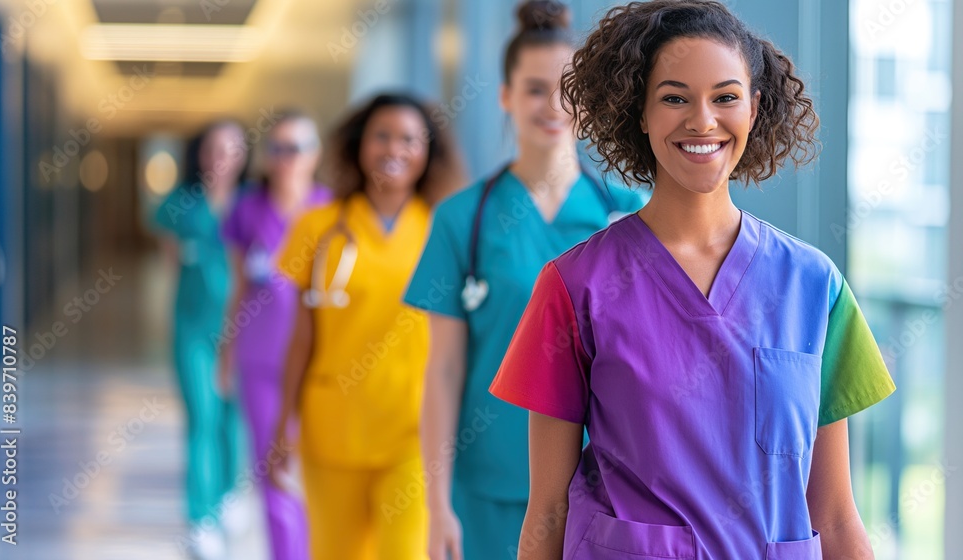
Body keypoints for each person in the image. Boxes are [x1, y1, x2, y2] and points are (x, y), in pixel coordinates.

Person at [489, 1, 898, 558]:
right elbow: (548, 511)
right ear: (641, 110)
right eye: (675, 97)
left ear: (754, 108)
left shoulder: (814, 286)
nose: (702, 121)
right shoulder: (576, 285)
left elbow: (836, 516)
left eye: (725, 97)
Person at [402, 2, 646, 559]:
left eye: (567, 89)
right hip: (489, 483)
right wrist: (437, 504)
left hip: (606, 485)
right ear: (505, 96)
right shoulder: (462, 219)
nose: (553, 105)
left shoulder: (629, 217)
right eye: (534, 89)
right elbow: (442, 371)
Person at [272, 93, 465, 559]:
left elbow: (460, 344)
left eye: (408, 139)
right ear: (360, 144)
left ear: (428, 152)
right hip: (332, 430)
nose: (393, 149)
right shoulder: (317, 227)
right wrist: (283, 424)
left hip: (413, 435)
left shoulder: (447, 228)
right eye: (381, 135)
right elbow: (302, 336)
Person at [219, 110, 331, 560]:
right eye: (277, 149)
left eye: (297, 148)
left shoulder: (332, 211)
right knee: (273, 468)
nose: (286, 159)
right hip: (261, 361)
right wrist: (226, 351)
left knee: (320, 470)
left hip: (324, 363)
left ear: (315, 154)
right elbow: (238, 287)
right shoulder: (247, 210)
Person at [152, 120, 249, 560]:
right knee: (202, 417)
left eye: (231, 149)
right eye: (212, 149)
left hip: (245, 329)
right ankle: (201, 517)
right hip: (194, 329)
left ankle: (228, 494)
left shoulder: (251, 204)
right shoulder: (180, 204)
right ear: (199, 154)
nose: (220, 159)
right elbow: (170, 259)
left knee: (234, 417)